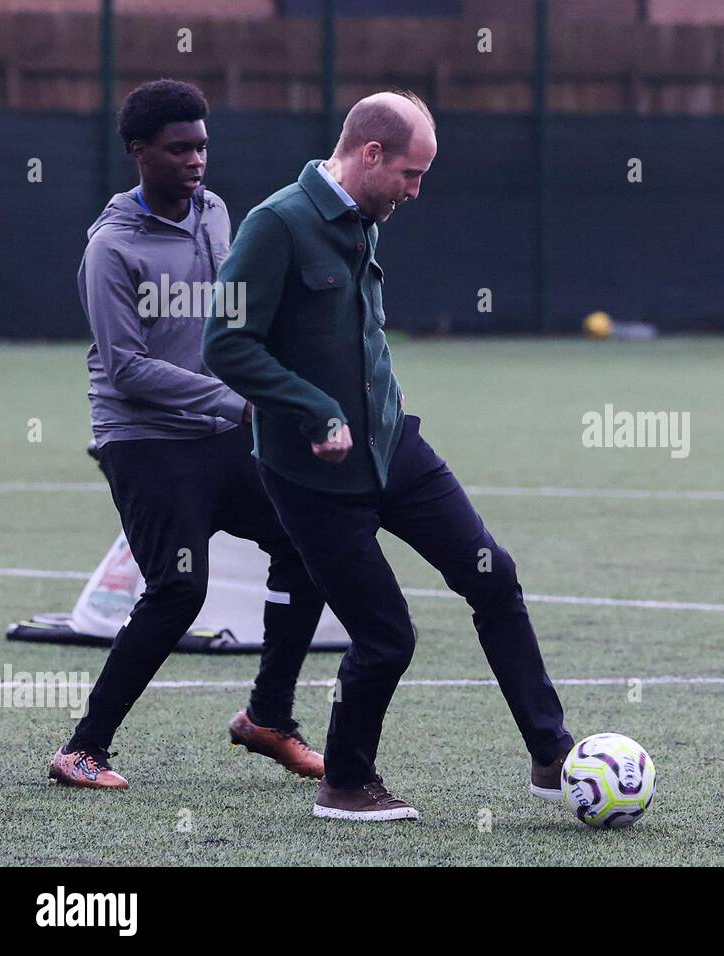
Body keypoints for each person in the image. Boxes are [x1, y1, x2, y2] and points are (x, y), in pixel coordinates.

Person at [203, 90, 573, 822]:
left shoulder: (366, 217)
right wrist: (312, 408)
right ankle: (345, 784)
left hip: (395, 447)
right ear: (369, 154)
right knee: (386, 637)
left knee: (492, 575)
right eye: (410, 172)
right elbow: (225, 343)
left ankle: (552, 754)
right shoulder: (276, 225)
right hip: (312, 478)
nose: (416, 189)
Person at [53, 79, 327, 791]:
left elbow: (228, 324)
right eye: (179, 149)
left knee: (306, 544)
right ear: (140, 152)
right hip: (144, 440)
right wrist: (237, 405)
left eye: (202, 145)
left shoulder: (215, 213)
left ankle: (269, 718)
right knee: (179, 590)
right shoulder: (111, 249)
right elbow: (126, 367)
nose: (196, 160)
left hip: (220, 428)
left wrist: (269, 380)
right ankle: (82, 749)